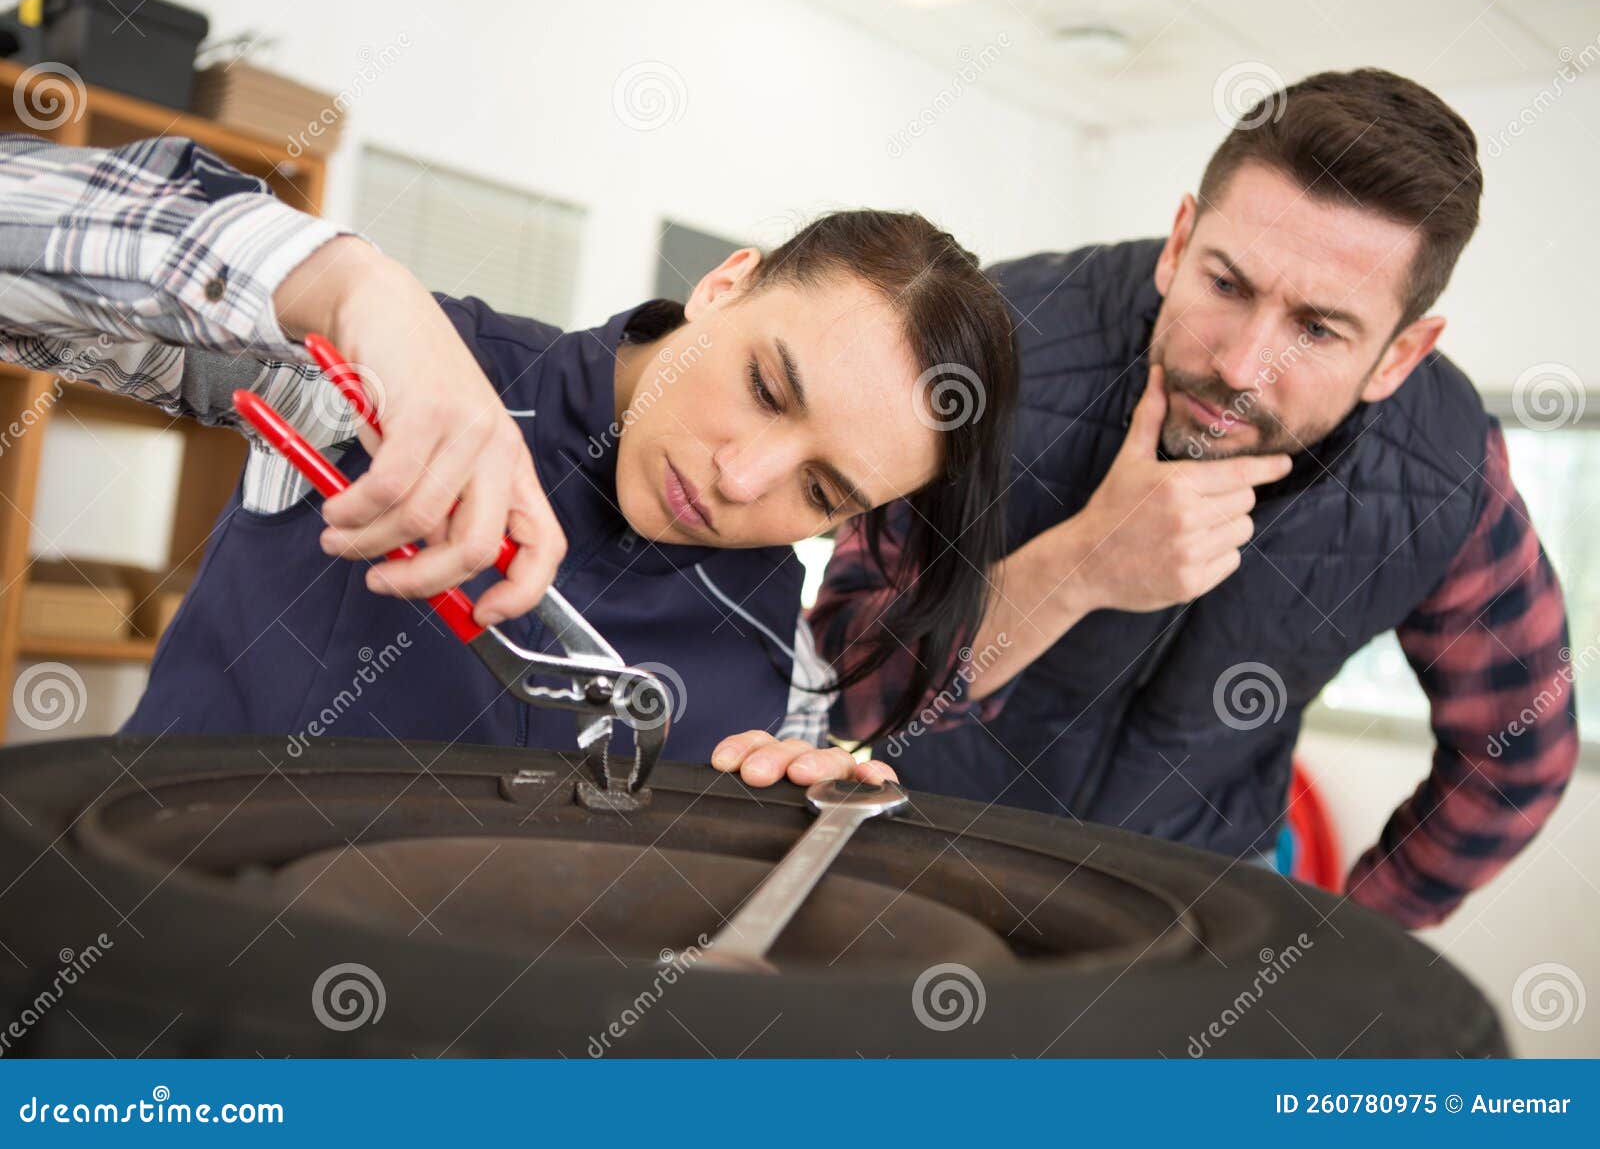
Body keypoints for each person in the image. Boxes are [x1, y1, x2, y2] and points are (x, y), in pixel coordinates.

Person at [755, 68, 1579, 929]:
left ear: (1401, 354)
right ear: (1180, 241)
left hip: (1194, 908)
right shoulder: (996, 347)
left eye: (1317, 328)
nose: (1238, 364)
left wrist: (1339, 940)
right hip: (926, 865)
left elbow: (1519, 752)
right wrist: (1081, 565)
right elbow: (852, 683)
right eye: (1226, 284)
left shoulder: (1443, 467)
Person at [0, 134, 1016, 783]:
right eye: (763, 386)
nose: (741, 480)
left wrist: (769, 849)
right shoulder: (385, 372)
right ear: (724, 284)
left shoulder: (773, 663)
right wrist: (352, 287)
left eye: (822, 490)